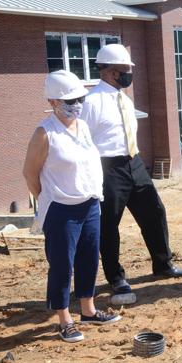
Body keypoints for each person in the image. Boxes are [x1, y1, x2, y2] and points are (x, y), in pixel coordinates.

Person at [80, 43, 182, 306]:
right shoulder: (92, 102)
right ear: (108, 71)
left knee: (155, 212)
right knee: (109, 225)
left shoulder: (125, 100)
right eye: (125, 70)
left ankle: (162, 264)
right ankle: (116, 277)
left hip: (134, 163)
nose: (129, 74)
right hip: (108, 168)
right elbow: (84, 142)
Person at [23, 70, 121, 342]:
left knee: (89, 258)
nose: (76, 104)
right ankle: (64, 319)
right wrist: (50, 199)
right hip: (60, 209)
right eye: (69, 100)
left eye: (79, 98)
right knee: (62, 265)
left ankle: (88, 310)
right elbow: (30, 174)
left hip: (89, 204)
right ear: (53, 101)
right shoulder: (45, 133)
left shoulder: (83, 126)